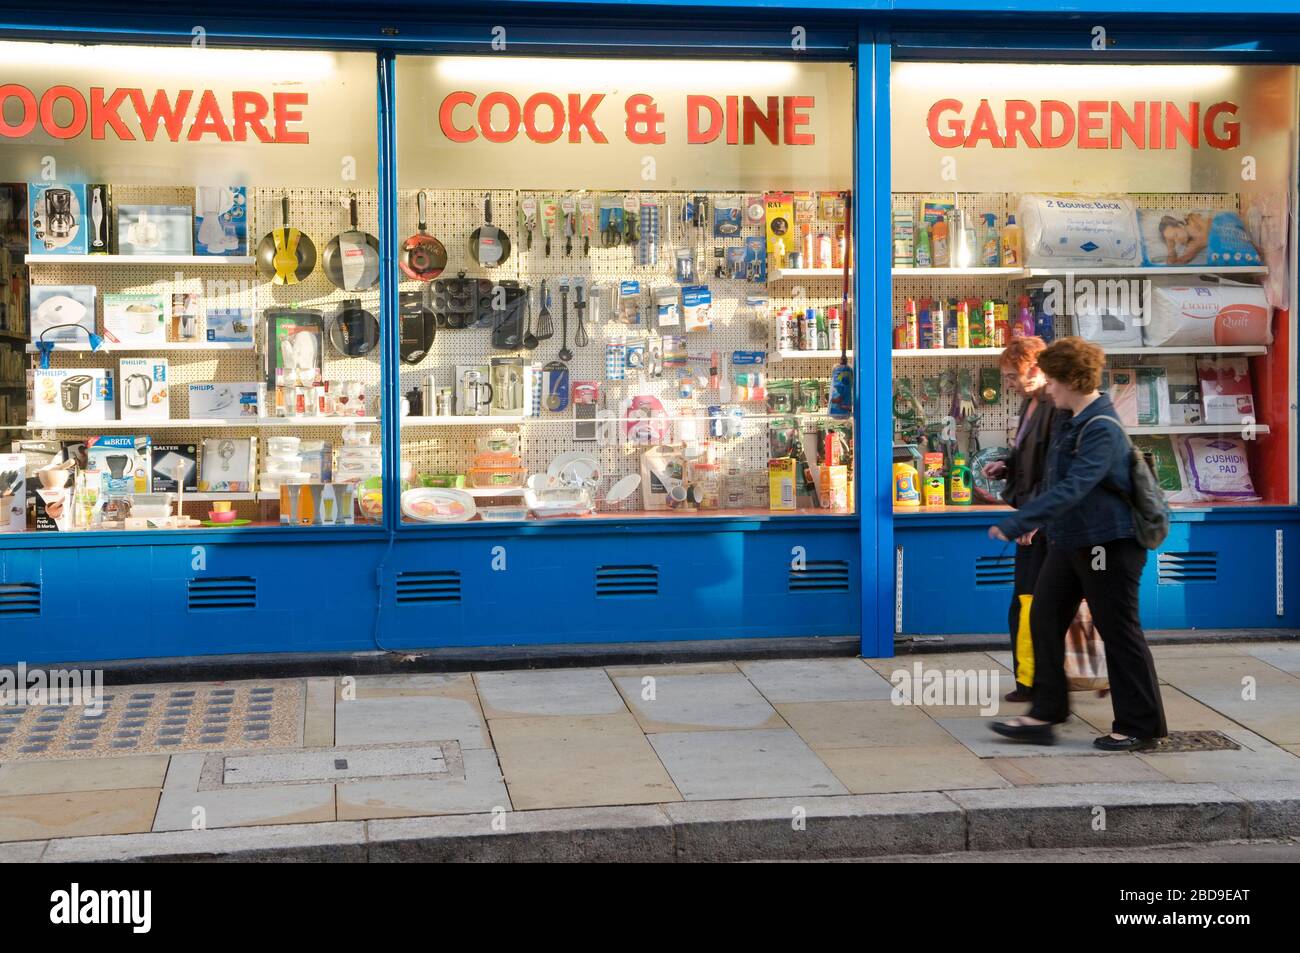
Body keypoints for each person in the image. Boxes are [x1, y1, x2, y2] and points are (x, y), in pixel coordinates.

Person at [986, 337, 1167, 751]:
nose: (1047, 389)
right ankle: (1046, 712)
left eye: (1051, 381)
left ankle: (1140, 725)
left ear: (1068, 380)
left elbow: (1074, 487)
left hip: (1108, 544)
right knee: (1044, 617)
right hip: (1071, 541)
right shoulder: (1071, 418)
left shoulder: (1101, 426)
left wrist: (1020, 522)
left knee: (1119, 631)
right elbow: (1051, 476)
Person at [982, 336, 1065, 702]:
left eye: (1013, 375)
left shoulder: (1053, 405)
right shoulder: (1030, 403)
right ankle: (1031, 682)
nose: (1009, 383)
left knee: (1031, 605)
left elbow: (1055, 470)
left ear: (1036, 369)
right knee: (1026, 604)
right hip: (1030, 516)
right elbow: (1032, 459)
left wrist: (1033, 521)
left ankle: (1037, 686)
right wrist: (1008, 465)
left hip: (1043, 524)